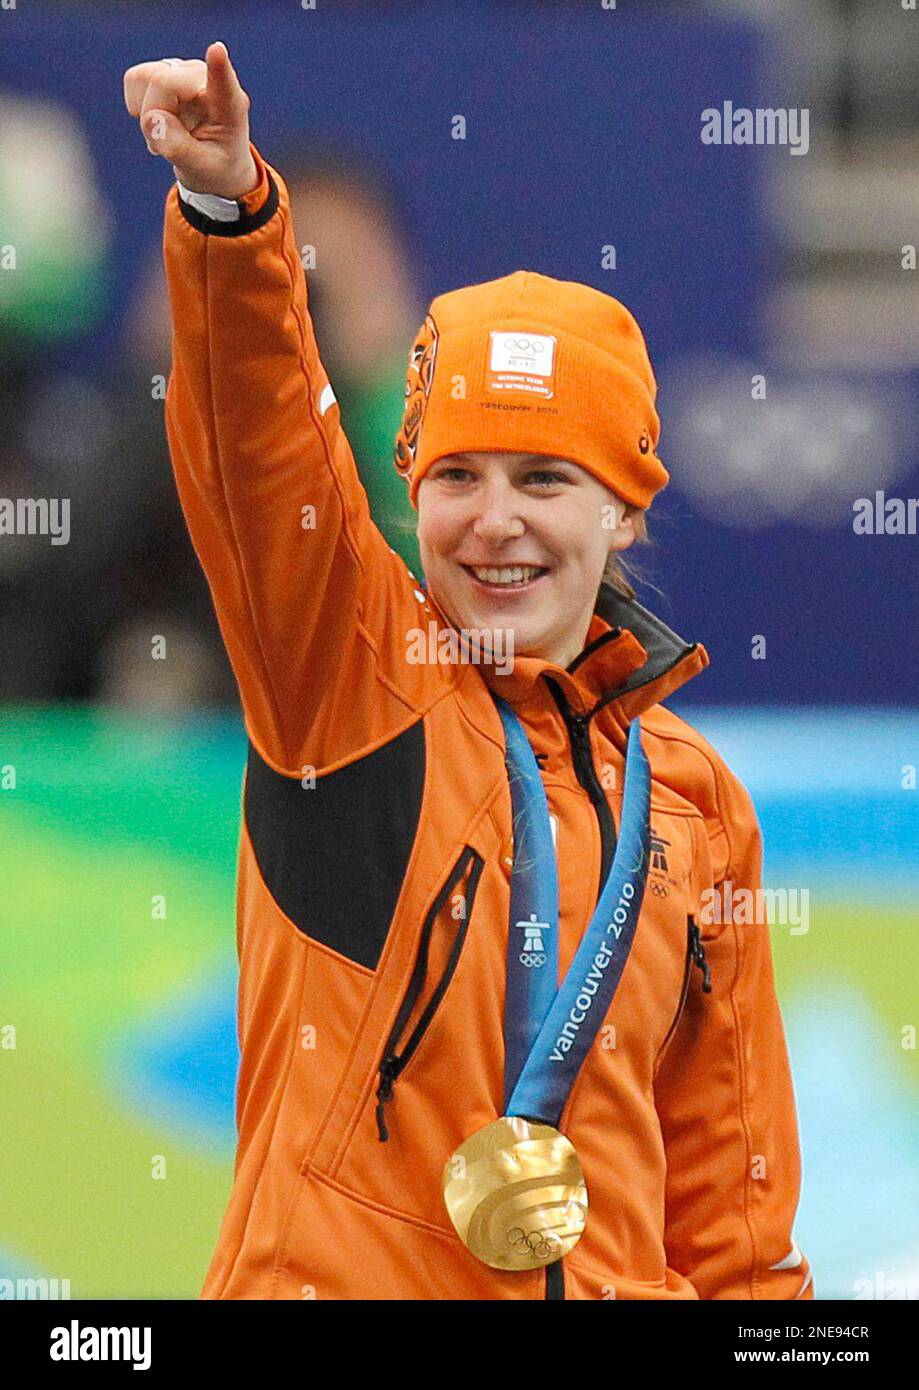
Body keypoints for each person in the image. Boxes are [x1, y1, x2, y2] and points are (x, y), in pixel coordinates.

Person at [123, 42, 813, 1301]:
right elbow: (261, 449)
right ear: (410, 491)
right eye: (456, 476)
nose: (492, 521)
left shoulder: (698, 805)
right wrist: (230, 214)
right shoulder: (352, 681)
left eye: (544, 479)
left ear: (626, 511)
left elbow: (735, 1216)